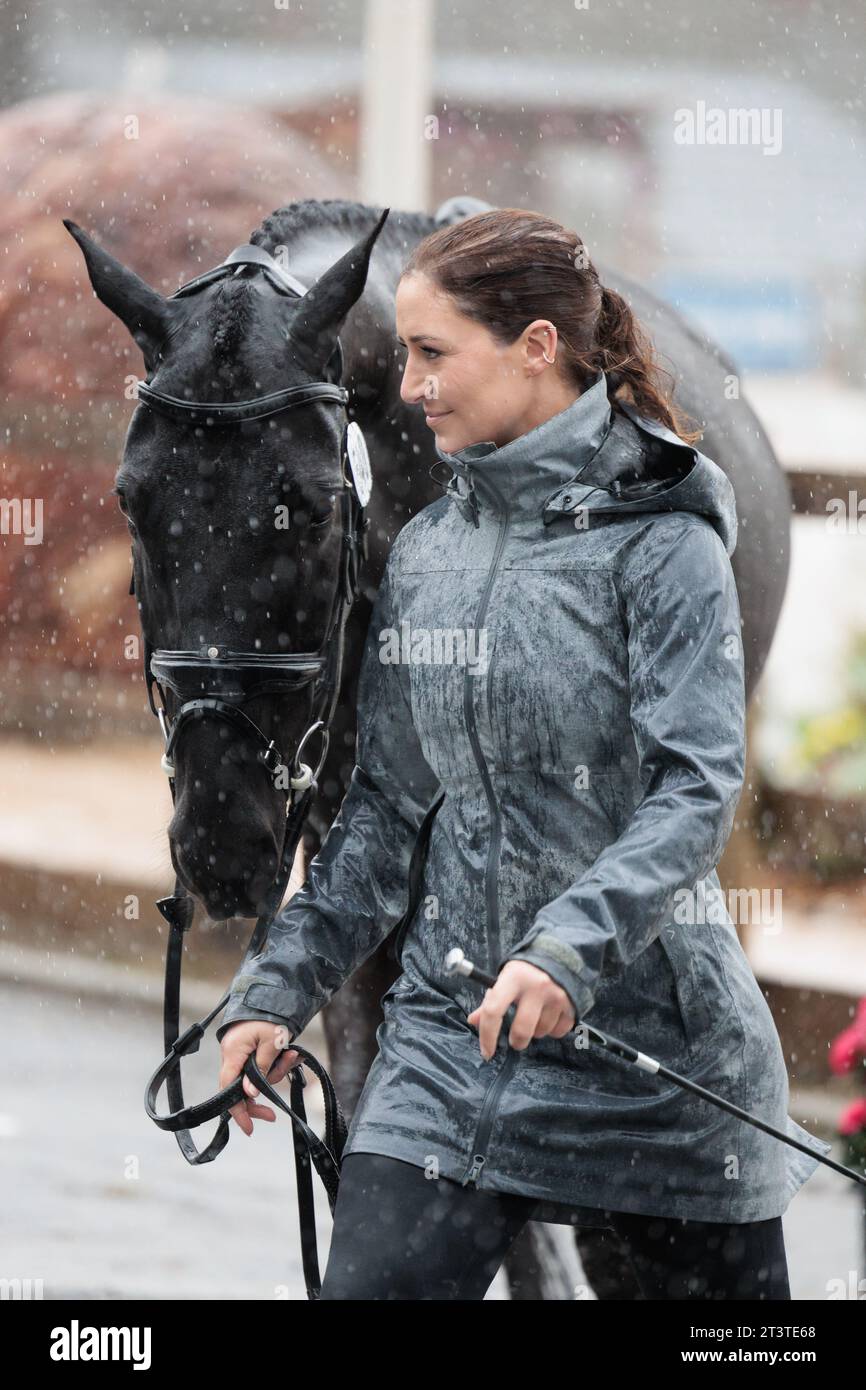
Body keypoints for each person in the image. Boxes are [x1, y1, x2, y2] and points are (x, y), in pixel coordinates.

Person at [217, 209, 830, 1300]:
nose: (407, 387)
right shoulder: (428, 554)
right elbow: (384, 812)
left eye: (432, 352)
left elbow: (693, 787)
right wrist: (275, 989)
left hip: (654, 1069)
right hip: (449, 1063)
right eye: (405, 352)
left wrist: (563, 951)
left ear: (536, 347)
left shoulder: (666, 540)